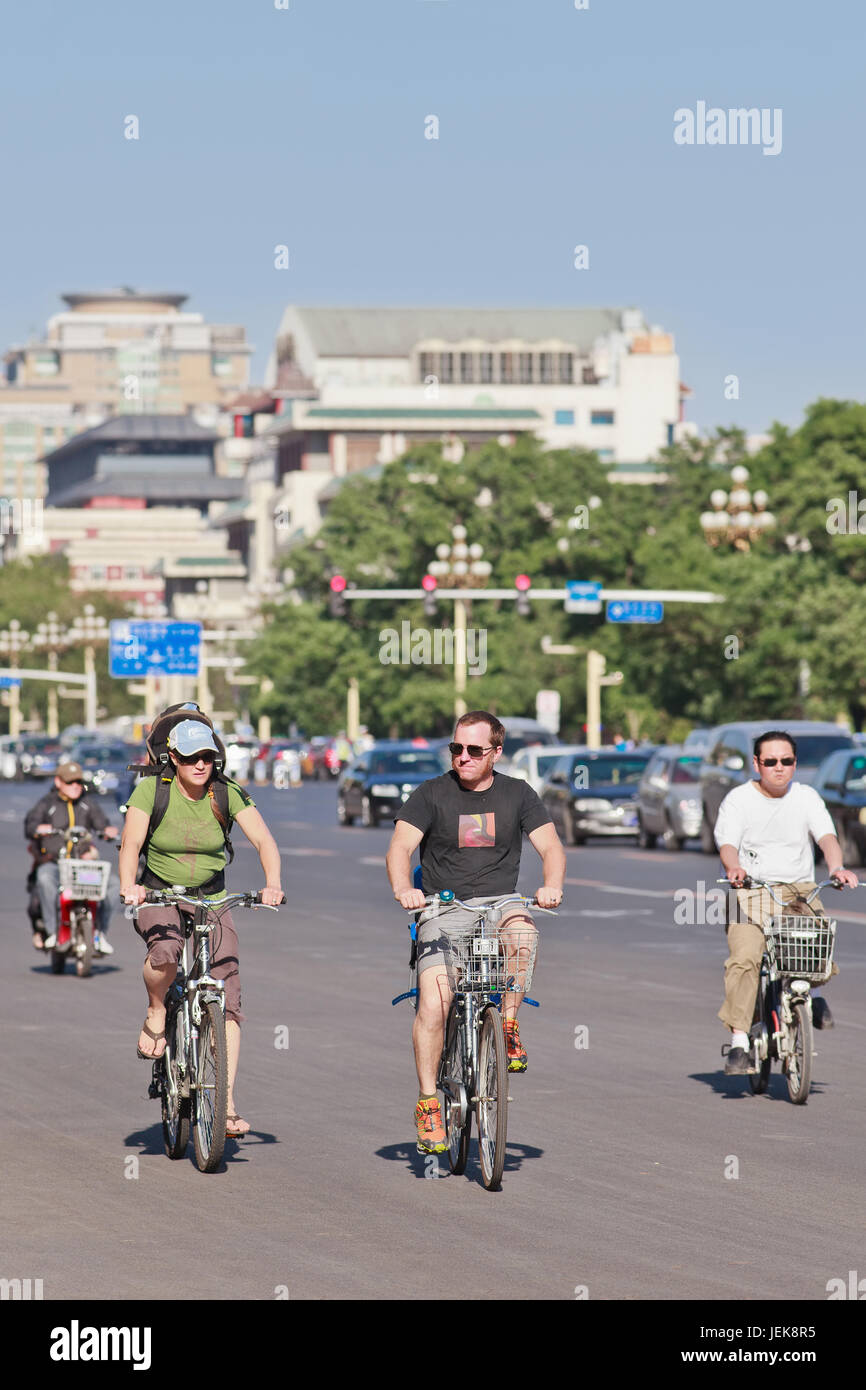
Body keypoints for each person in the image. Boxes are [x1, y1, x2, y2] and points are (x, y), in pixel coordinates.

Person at [385, 710, 566, 1154]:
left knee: (524, 934)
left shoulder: (519, 794)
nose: (462, 757)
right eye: (456, 749)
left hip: (501, 902)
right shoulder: (431, 794)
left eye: (473, 750)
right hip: (442, 909)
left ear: (496, 752)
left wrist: (552, 885)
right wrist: (404, 889)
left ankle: (507, 1023)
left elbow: (550, 846)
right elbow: (400, 846)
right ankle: (429, 1102)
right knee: (435, 1002)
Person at [119, 718, 284, 1138]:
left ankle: (225, 1103)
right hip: (160, 893)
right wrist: (129, 887)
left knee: (227, 992)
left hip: (211, 896)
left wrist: (272, 885)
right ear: (172, 758)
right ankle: (157, 1010)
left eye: (207, 756)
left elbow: (264, 841)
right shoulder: (151, 791)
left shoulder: (226, 793)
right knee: (165, 953)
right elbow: (131, 845)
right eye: (191, 757)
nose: (200, 764)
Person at [715, 729, 858, 1075]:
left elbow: (826, 837)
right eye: (770, 761)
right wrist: (734, 868)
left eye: (787, 761)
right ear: (756, 764)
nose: (779, 768)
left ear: (794, 764)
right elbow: (728, 843)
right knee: (746, 959)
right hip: (750, 889)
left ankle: (808, 996)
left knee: (814, 948)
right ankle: (739, 1043)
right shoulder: (738, 800)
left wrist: (836, 867)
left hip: (799, 890)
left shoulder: (807, 797)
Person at [25, 760, 119, 953]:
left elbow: (102, 824)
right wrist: (39, 829)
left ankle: (100, 934)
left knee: (113, 884)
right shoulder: (47, 803)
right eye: (70, 782)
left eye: (78, 781)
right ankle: (52, 933)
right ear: (58, 782)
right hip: (55, 865)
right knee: (44, 879)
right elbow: (31, 825)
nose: (76, 786)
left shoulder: (88, 804)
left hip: (83, 868)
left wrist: (108, 830)